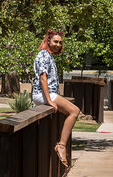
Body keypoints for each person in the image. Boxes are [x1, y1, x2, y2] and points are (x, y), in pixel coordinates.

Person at [32, 29, 81, 167]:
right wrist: (49, 100)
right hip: (44, 94)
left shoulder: (49, 56)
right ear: (48, 41)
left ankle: (60, 144)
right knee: (74, 111)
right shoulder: (43, 55)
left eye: (60, 42)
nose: (58, 45)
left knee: (70, 112)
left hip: (49, 94)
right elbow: (43, 78)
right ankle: (61, 145)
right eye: (55, 42)